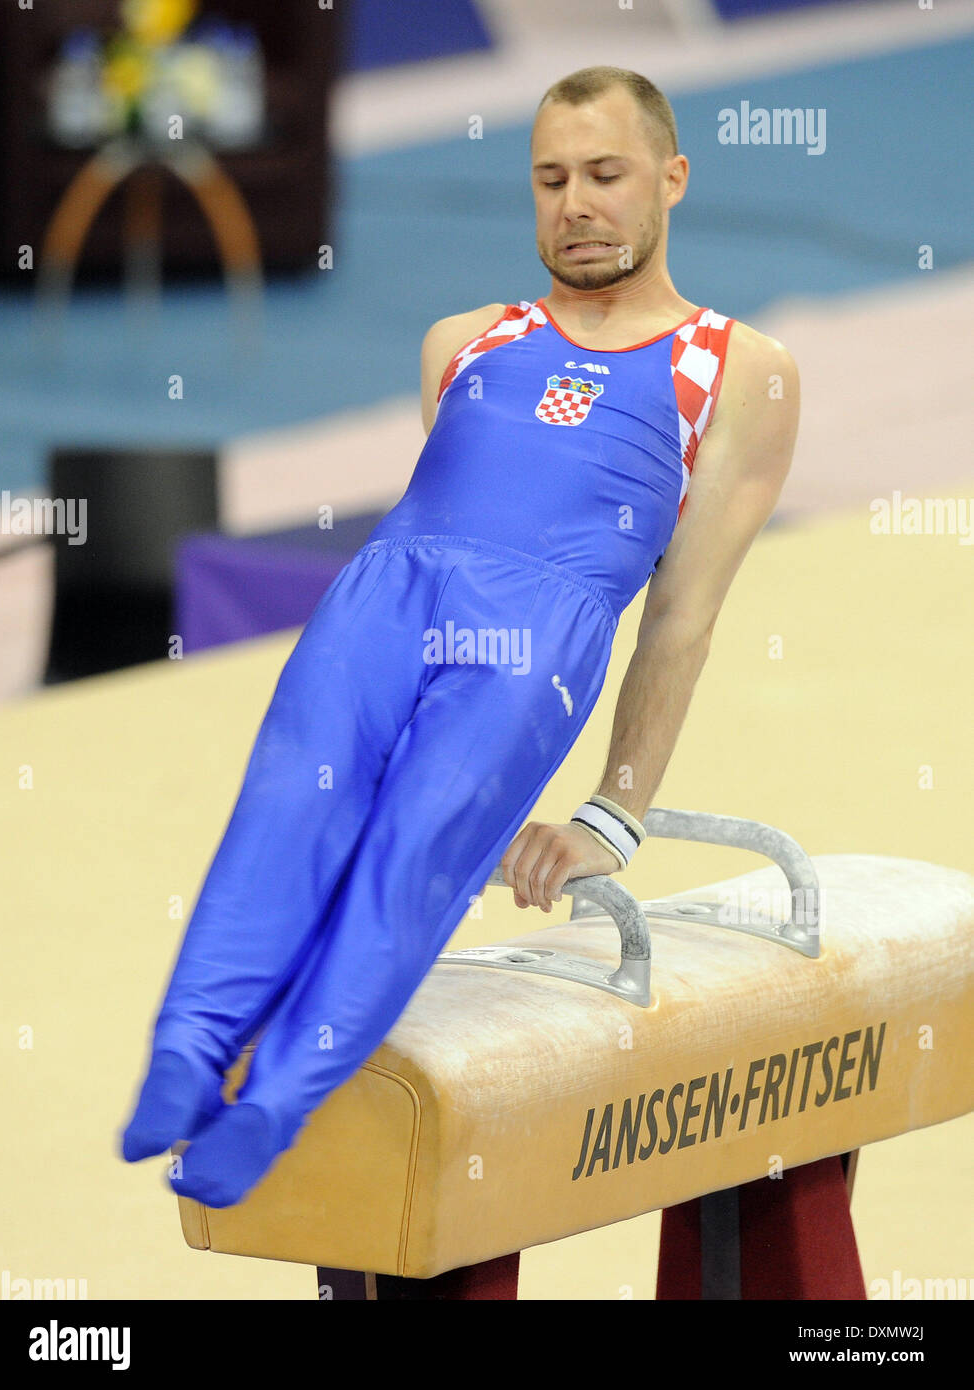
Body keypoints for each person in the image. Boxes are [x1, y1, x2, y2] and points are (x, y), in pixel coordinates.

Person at [121, 66, 799, 1208]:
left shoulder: (737, 371)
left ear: (671, 180)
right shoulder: (461, 341)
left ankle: (278, 1101)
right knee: (286, 807)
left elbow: (681, 615)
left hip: (537, 636)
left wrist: (614, 814)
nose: (573, 202)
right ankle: (189, 1048)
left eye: (602, 174)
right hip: (382, 599)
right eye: (548, 179)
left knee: (411, 858)